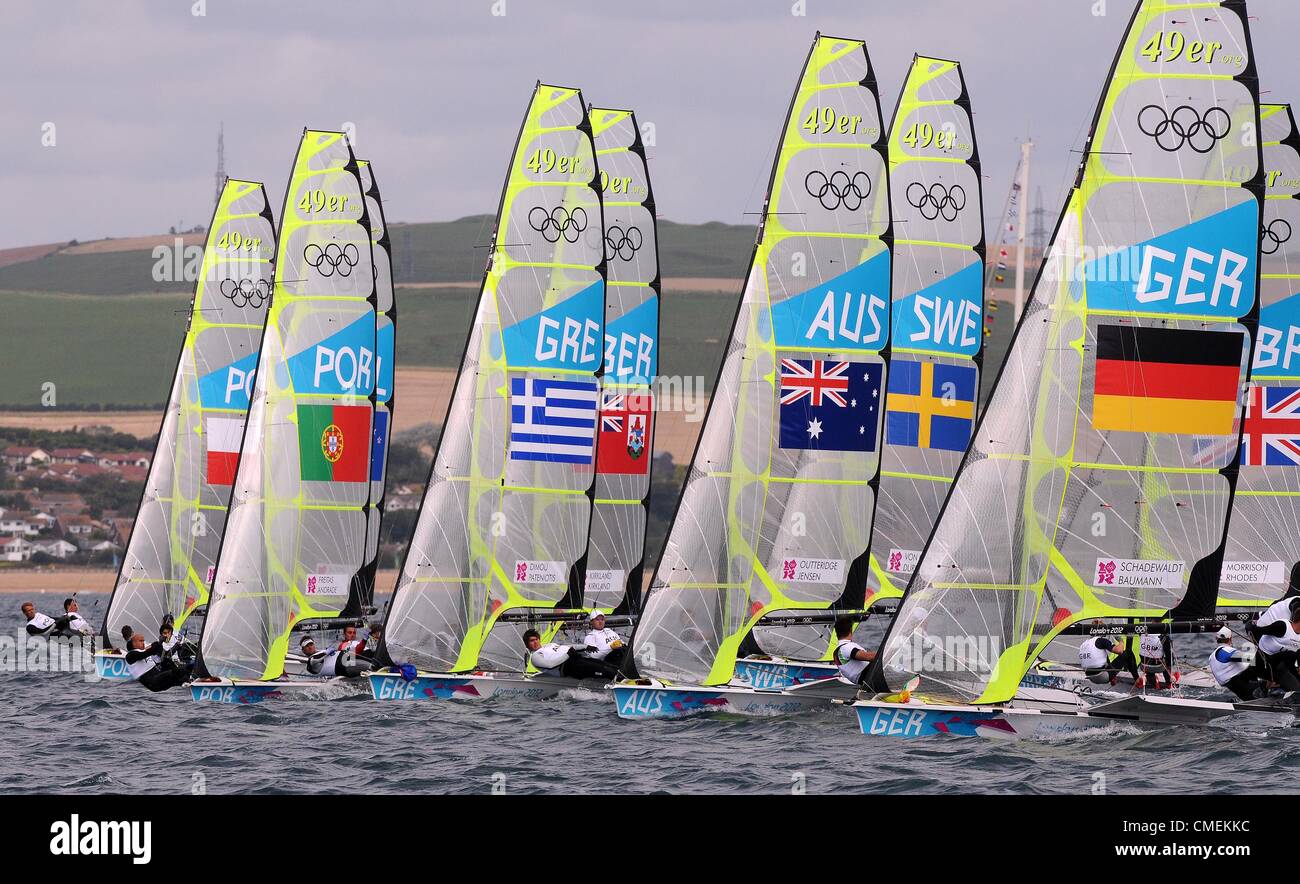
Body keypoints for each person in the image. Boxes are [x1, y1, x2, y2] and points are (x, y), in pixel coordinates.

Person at [1247, 597, 1300, 692]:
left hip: (1277, 665)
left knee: (1293, 657)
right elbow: (1256, 631)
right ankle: (1271, 686)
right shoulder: (1283, 627)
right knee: (1289, 655)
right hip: (1263, 665)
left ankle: (1283, 689)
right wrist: (1250, 627)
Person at [523, 628, 620, 680]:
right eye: (532, 641)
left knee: (607, 665)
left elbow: (569, 646)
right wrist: (568, 655)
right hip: (567, 667)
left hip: (576, 659)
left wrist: (586, 647)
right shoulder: (535, 656)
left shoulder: (549, 645)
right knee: (603, 670)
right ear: (527, 644)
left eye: (536, 639)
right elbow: (550, 665)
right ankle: (621, 682)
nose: (535, 642)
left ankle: (625, 677)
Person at [1209, 627, 1264, 701]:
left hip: (1232, 685)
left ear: (1216, 638)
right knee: (1260, 663)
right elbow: (1248, 658)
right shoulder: (1225, 650)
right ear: (1230, 638)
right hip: (1239, 683)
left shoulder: (1212, 656)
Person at [124, 631, 190, 692]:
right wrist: (159, 642)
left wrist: (177, 645)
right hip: (151, 681)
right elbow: (145, 654)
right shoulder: (130, 656)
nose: (143, 643)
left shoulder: (143, 650)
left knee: (178, 665)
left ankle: (187, 681)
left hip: (157, 674)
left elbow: (166, 654)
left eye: (143, 641)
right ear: (133, 644)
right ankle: (186, 681)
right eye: (140, 641)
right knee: (176, 672)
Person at [831, 616, 875, 685]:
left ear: (836, 633)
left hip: (864, 679)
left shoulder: (837, 651)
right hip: (870, 676)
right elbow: (869, 657)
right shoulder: (846, 647)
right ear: (850, 631)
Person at [300, 636, 371, 679]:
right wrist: (327, 652)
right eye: (307, 646)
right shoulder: (311, 662)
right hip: (344, 666)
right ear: (303, 650)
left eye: (311, 644)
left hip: (346, 658)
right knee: (370, 667)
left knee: (369, 654)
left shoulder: (321, 651)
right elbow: (315, 659)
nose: (310, 647)